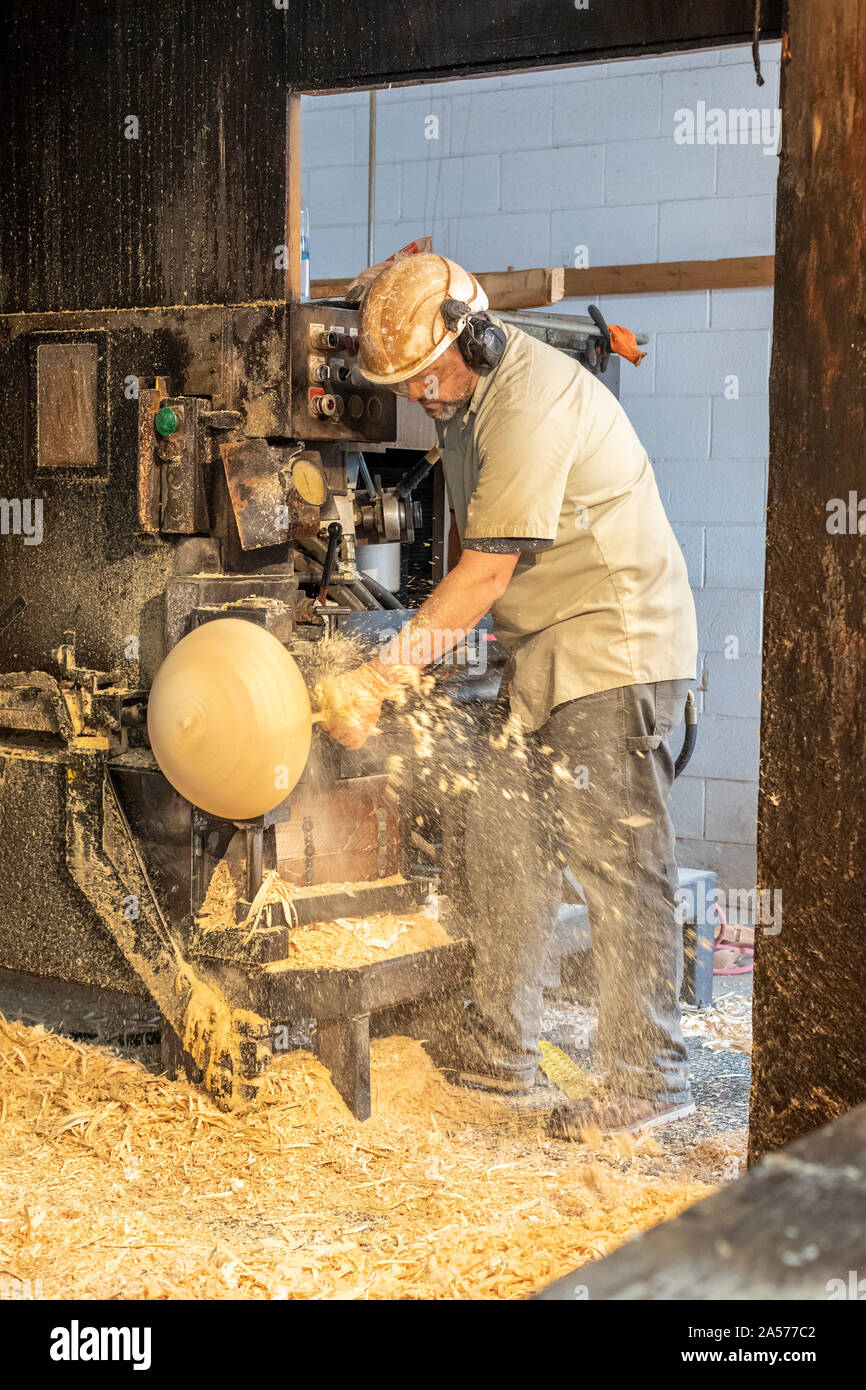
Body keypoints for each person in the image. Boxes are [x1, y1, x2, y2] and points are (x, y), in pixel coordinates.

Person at [320, 253, 698, 1136]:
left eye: (427, 373)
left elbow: (485, 574)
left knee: (619, 865)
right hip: (549, 653)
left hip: (614, 645)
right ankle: (501, 1051)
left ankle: (649, 1081)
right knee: (503, 833)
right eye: (404, 381)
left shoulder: (526, 399)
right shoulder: (470, 398)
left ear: (478, 335)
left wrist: (381, 678)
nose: (421, 394)